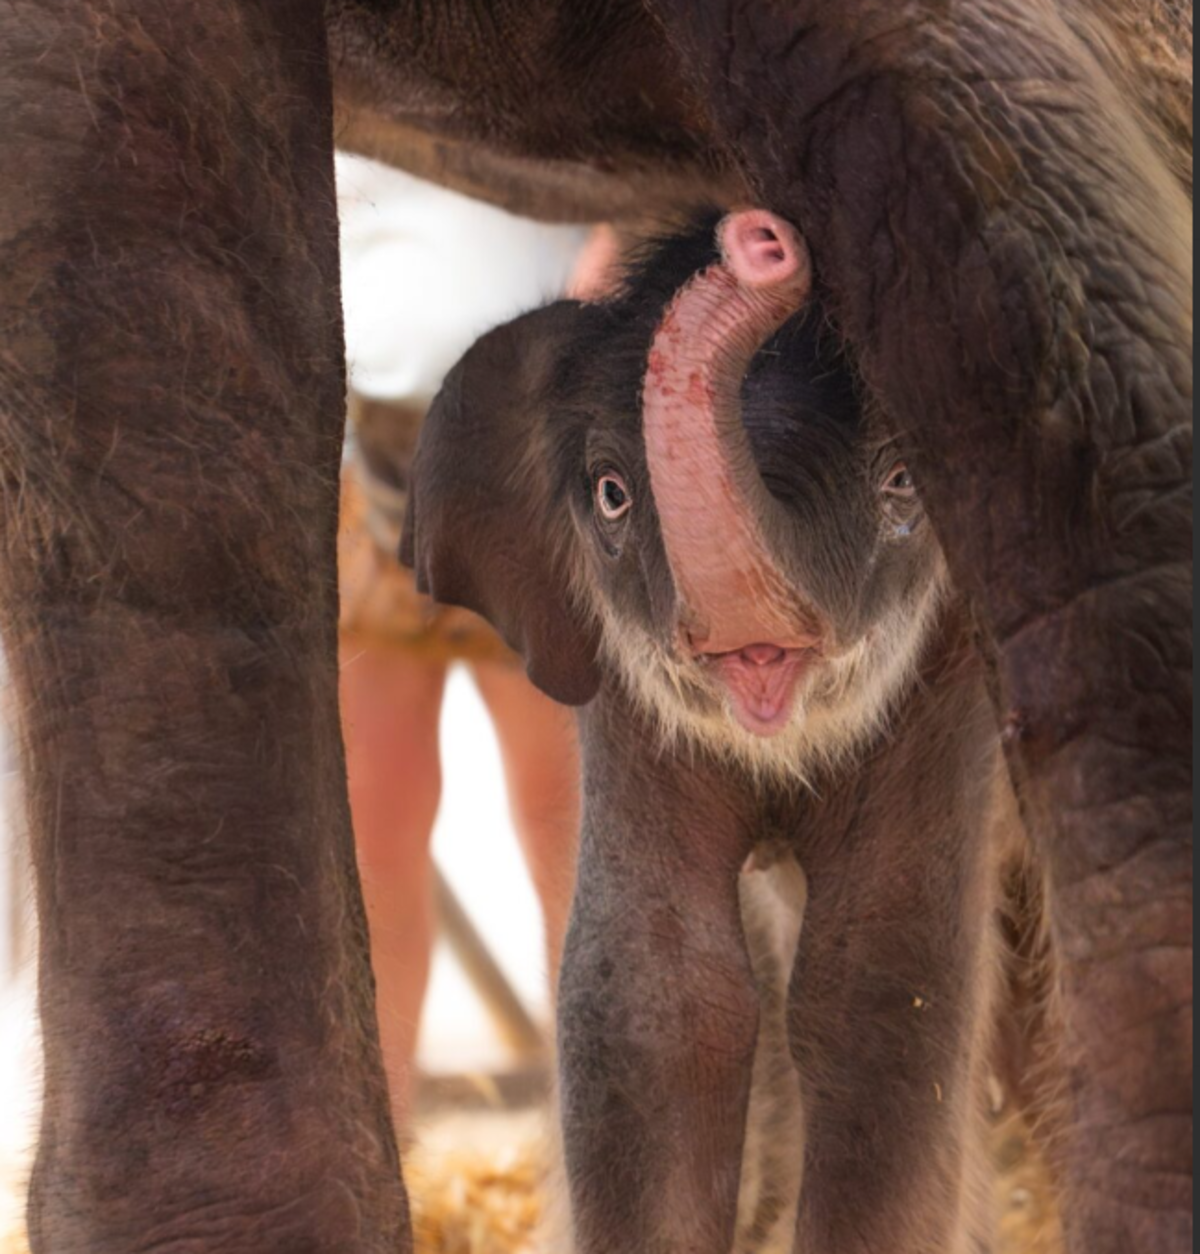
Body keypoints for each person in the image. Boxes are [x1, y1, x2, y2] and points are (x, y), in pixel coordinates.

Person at [335, 156, 594, 1131]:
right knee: (370, 822)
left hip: (530, 445)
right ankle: (375, 1151)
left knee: (562, 811)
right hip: (355, 442)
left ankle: (605, 1163)